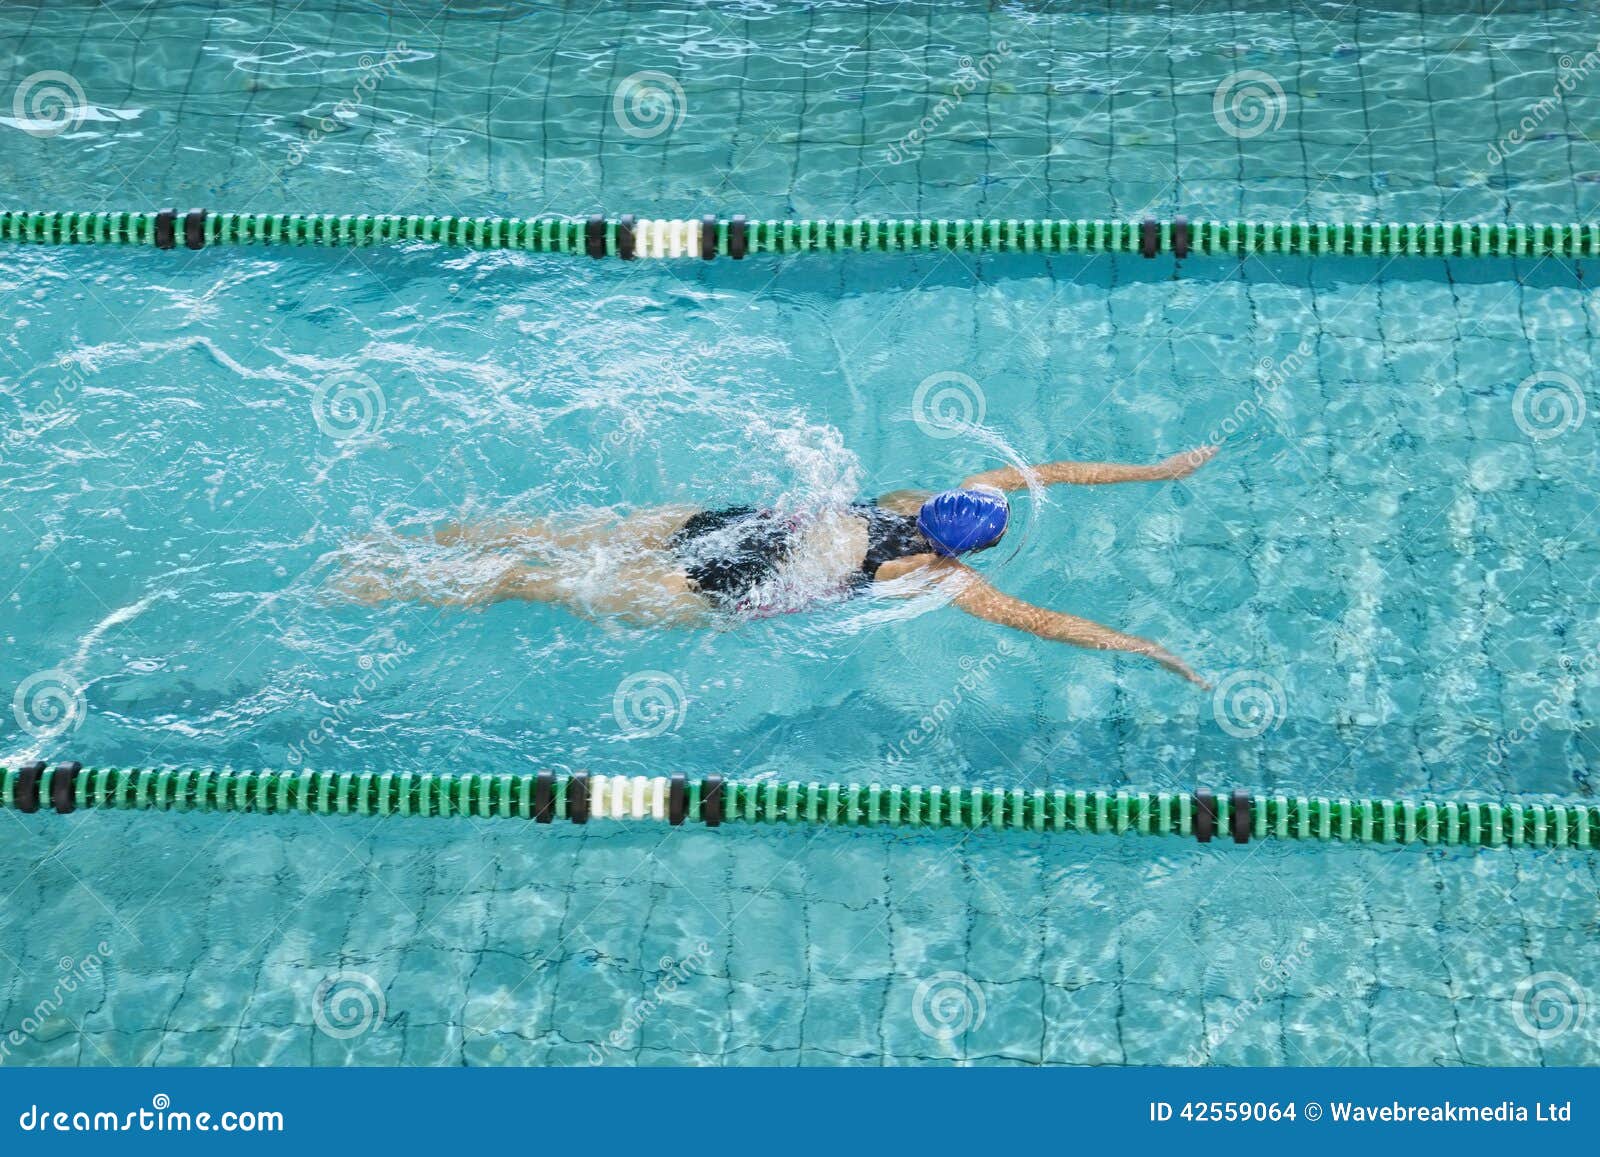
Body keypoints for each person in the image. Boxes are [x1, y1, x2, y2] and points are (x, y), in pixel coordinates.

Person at [337, 445, 1217, 684]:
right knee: (540, 582)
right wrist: (1147, 648)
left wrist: (1155, 469)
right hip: (739, 585)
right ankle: (379, 584)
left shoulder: (926, 499)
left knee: (566, 530)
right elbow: (1049, 622)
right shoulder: (942, 576)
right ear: (976, 539)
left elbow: (1045, 471)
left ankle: (412, 537)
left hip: (729, 526)